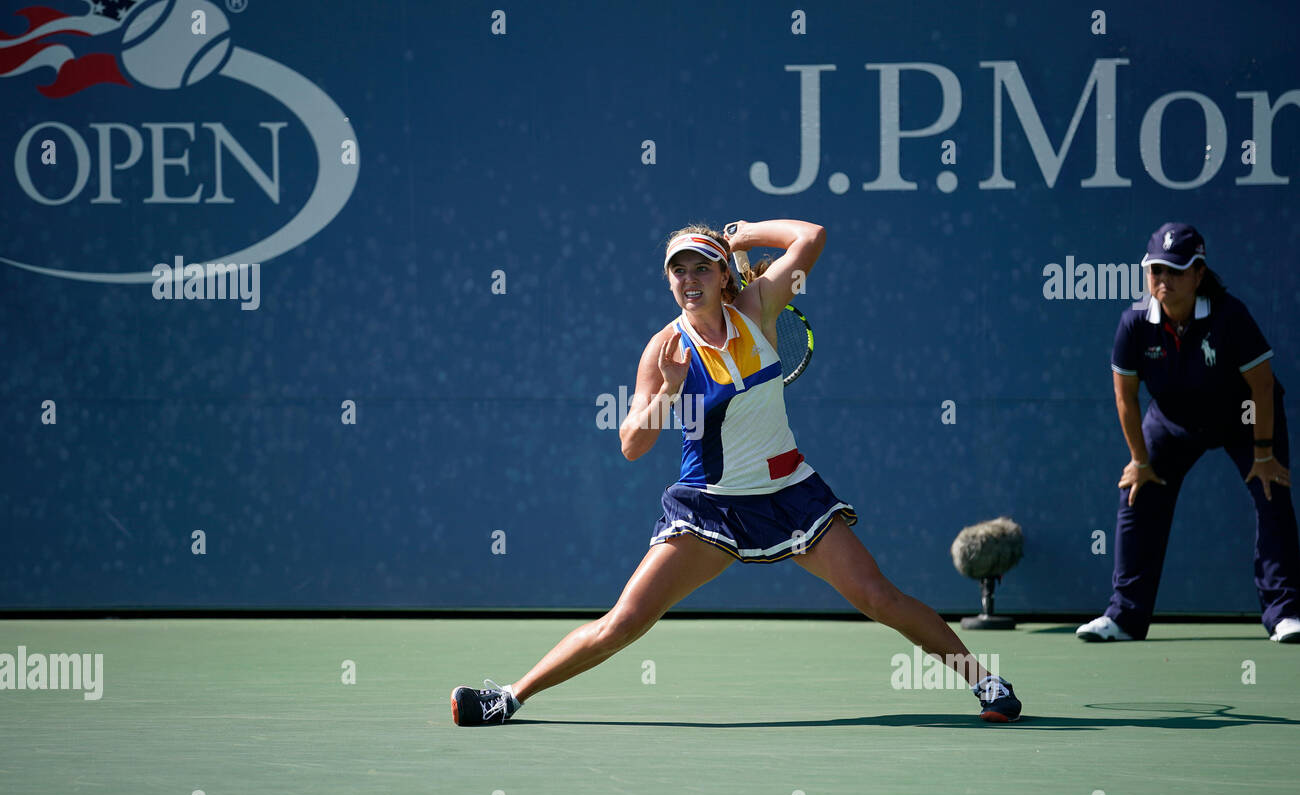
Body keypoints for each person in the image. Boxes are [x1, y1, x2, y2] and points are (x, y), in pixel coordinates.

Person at [452, 220, 1022, 724]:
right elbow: (631, 444)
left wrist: (746, 234)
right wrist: (669, 392)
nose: (689, 278)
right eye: (678, 270)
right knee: (623, 622)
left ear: (724, 274)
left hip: (792, 494)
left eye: (702, 266)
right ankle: (509, 697)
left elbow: (812, 236)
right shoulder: (663, 348)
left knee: (878, 597)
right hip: (711, 509)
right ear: (669, 281)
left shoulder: (758, 308)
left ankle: (986, 683)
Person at [1080, 222, 1300, 643]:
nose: (1164, 281)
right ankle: (1125, 616)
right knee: (1136, 491)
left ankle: (1284, 613)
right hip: (1172, 419)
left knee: (1272, 489)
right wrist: (1140, 461)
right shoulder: (1134, 323)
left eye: (1176, 271)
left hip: (1242, 415)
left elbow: (1263, 386)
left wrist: (1265, 453)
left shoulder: (1229, 316)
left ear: (1199, 274)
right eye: (1156, 271)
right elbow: (1126, 398)